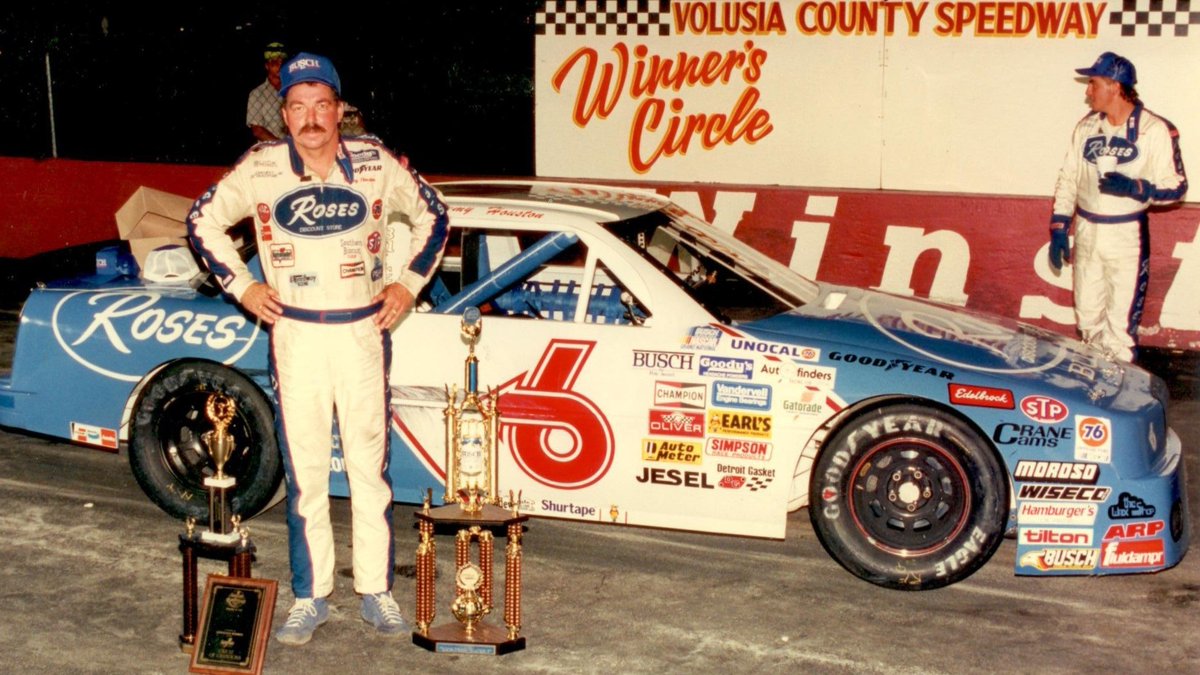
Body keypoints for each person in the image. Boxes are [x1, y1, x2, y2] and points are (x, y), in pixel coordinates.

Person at [188, 51, 451, 645]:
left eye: (321, 105)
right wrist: (244, 284)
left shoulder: (376, 162)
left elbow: (434, 215)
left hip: (362, 331)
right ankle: (312, 597)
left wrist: (407, 286)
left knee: (368, 469)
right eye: (298, 106)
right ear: (284, 113)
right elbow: (202, 220)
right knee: (306, 473)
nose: (311, 118)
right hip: (296, 333)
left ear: (339, 109)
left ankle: (377, 591)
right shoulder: (259, 169)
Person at [1048, 51, 1187, 362]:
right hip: (1087, 230)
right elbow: (1068, 177)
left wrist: (1135, 188)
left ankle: (1118, 394)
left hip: (1126, 234)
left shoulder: (1155, 130)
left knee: (1119, 326)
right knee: (1087, 318)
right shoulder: (1086, 128)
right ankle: (1092, 389)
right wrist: (1059, 225)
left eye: (1092, 83)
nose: (1087, 90)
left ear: (1113, 85)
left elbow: (1177, 187)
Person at [245, 42, 289, 142]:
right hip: (269, 148)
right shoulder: (257, 94)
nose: (279, 66)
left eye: (282, 63)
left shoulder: (292, 90)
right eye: (274, 62)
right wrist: (281, 146)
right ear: (267, 66)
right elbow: (257, 130)